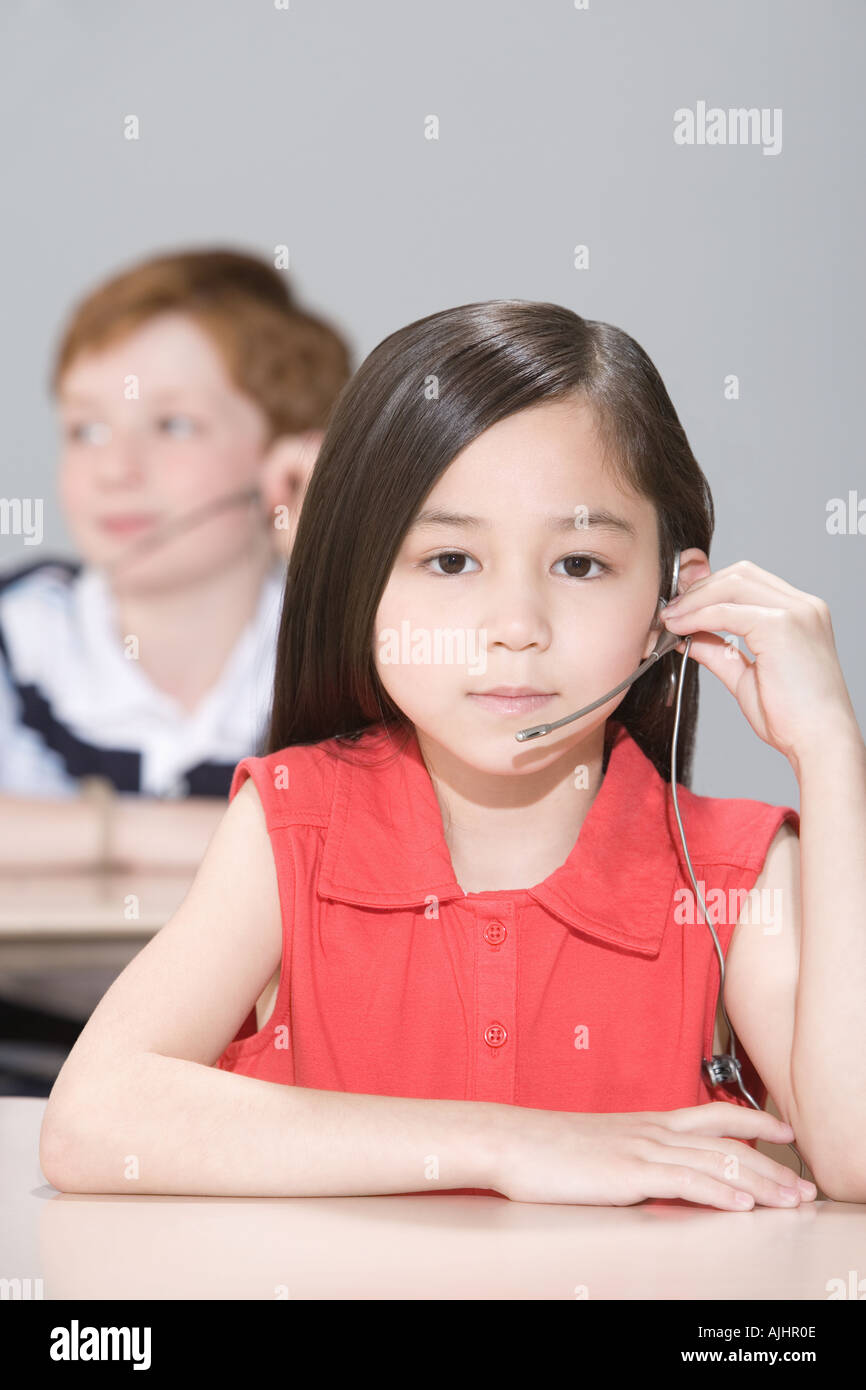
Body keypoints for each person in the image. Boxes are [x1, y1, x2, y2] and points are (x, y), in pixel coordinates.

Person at [39, 300, 866, 1207]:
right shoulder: (291, 822)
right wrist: (511, 1145)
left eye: (580, 564)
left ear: (674, 601)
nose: (515, 628)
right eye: (450, 561)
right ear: (361, 580)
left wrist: (830, 754)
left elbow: (857, 1157)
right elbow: (92, 1120)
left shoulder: (735, 875)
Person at [0, 247, 353, 872]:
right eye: (86, 429)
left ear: (289, 459)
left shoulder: (356, 653)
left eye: (173, 426)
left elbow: (391, 837)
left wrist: (330, 550)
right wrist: (140, 834)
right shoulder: (19, 634)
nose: (115, 469)